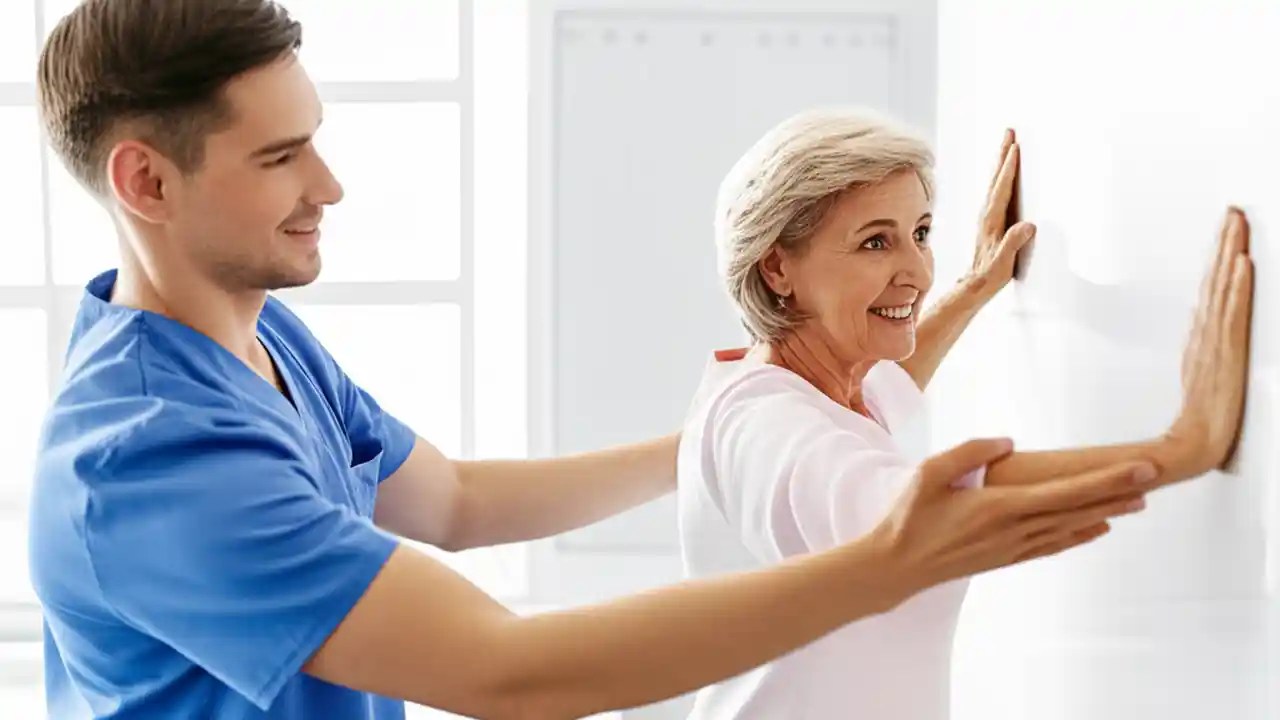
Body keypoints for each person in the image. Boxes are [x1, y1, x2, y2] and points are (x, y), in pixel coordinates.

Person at [28, 2, 1163, 719]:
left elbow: (460, 501)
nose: (328, 186)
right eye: (281, 156)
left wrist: (769, 403)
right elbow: (507, 676)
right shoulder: (147, 463)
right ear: (145, 183)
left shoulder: (249, 335)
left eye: (315, 137)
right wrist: (884, 563)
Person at [676, 109, 1254, 719]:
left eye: (920, 233)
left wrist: (976, 285)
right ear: (776, 267)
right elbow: (913, 506)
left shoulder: (801, 386)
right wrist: (1179, 449)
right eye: (876, 241)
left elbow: (879, 391)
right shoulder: (766, 424)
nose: (918, 270)